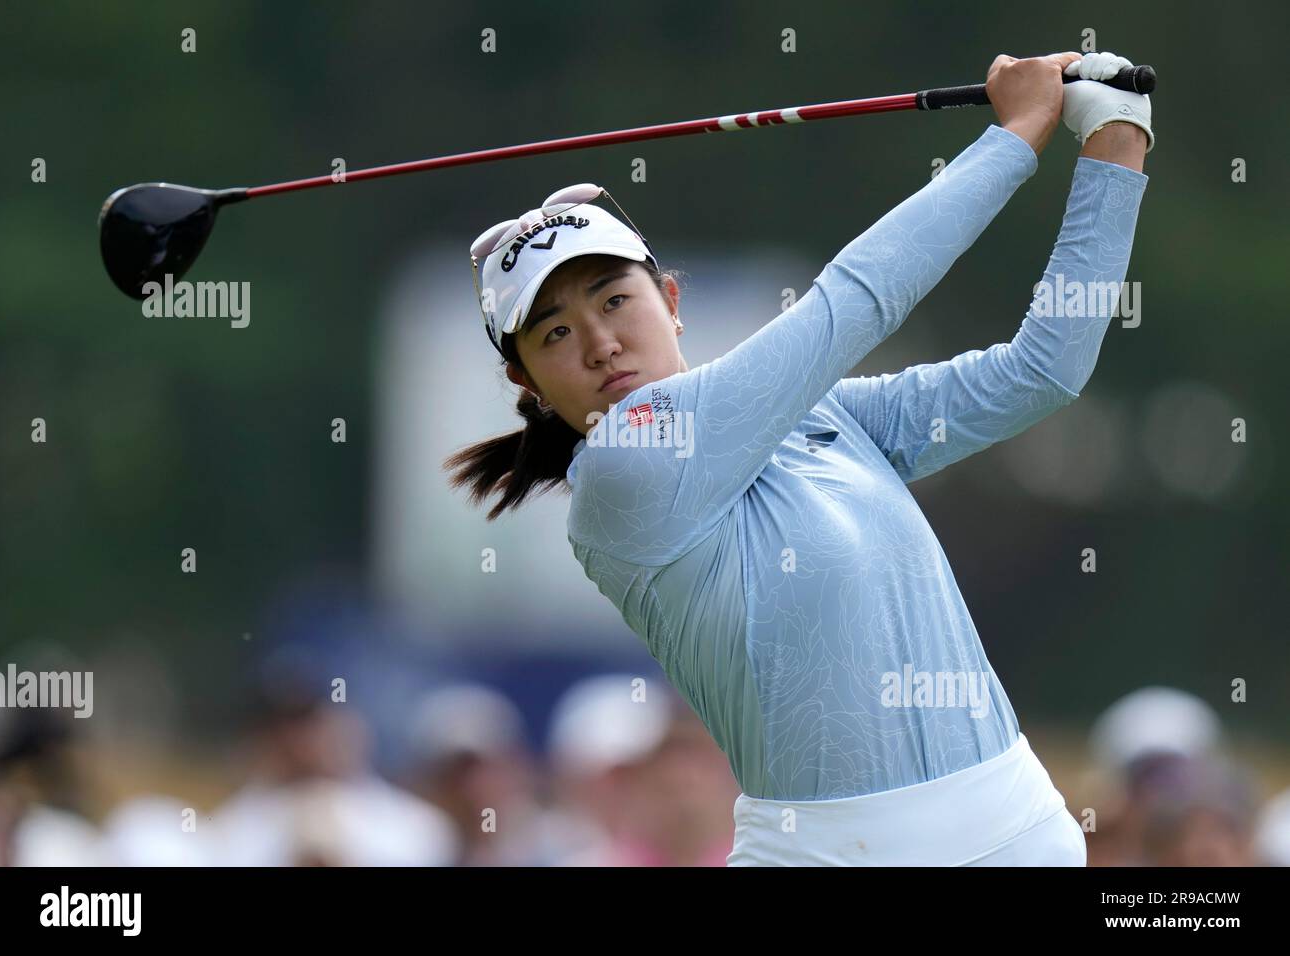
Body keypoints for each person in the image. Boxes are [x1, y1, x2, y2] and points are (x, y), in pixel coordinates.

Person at [446, 51, 1152, 865]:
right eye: (555, 333)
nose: (601, 344)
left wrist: (1114, 139)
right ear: (525, 381)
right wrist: (1016, 136)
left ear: (670, 302)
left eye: (614, 300)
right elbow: (849, 304)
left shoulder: (825, 419)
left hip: (1019, 833)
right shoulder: (618, 476)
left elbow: (1043, 372)